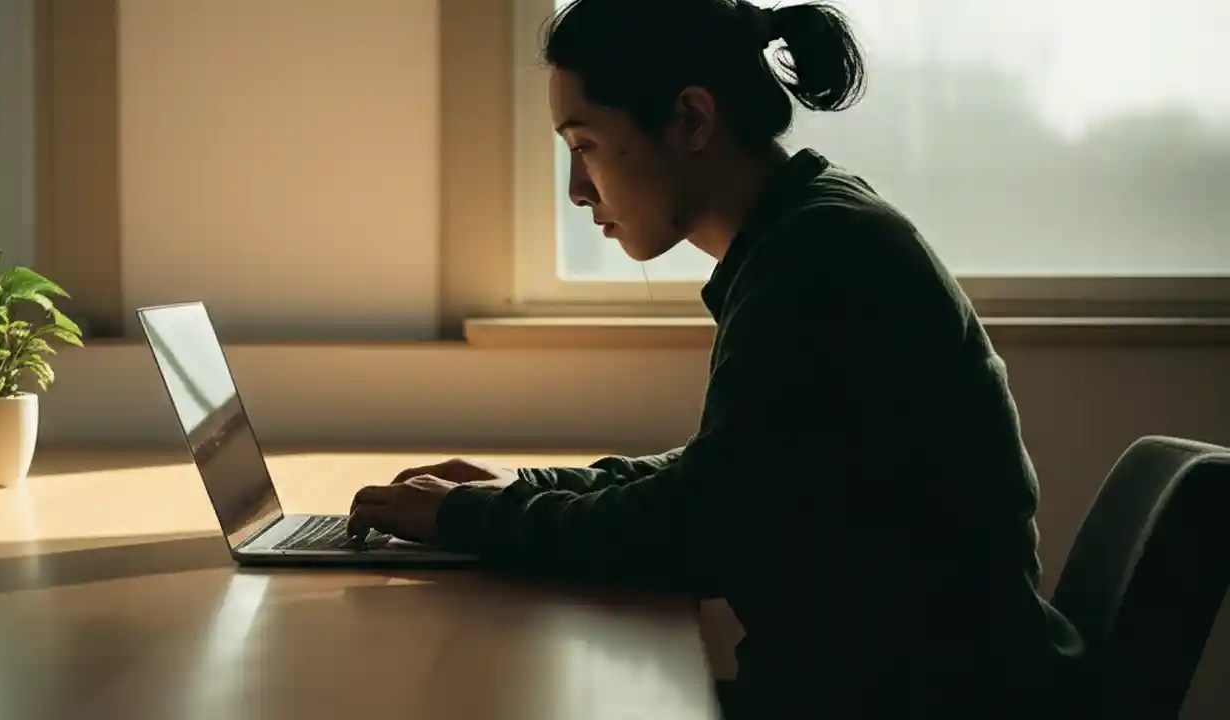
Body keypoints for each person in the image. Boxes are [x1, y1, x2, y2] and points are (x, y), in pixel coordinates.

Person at [347, 0, 1083, 716]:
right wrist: (525, 486)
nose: (575, 189)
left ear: (692, 120)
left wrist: (475, 517)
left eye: (585, 145)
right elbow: (729, 475)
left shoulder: (817, 259)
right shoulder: (806, 231)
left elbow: (695, 532)